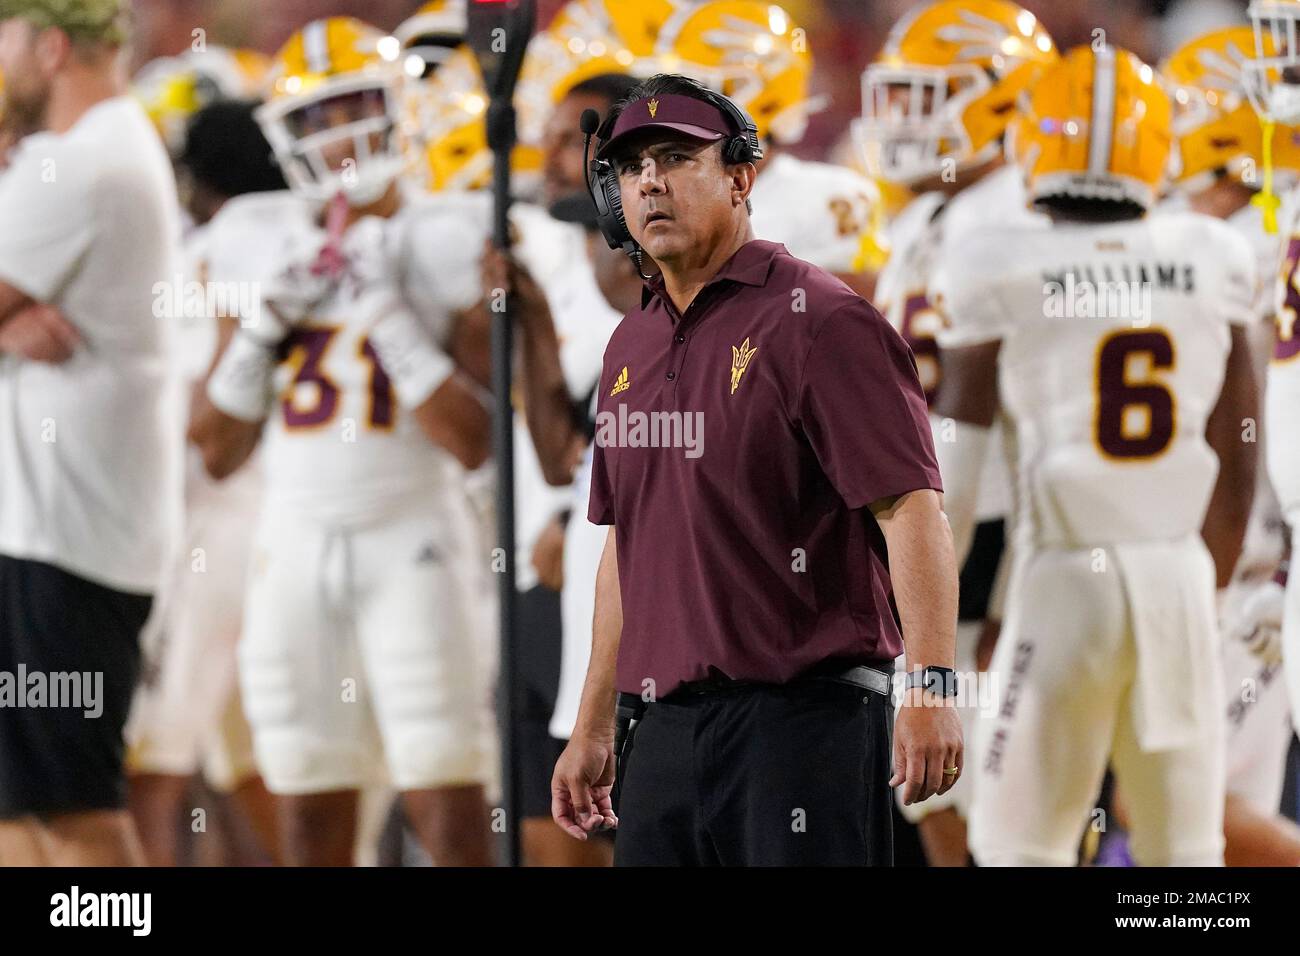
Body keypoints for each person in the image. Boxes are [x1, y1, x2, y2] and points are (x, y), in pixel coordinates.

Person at [550, 73, 962, 866]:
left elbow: (910, 509)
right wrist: (595, 720)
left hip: (801, 725)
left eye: (676, 158)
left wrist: (933, 686)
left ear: (741, 177)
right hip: (661, 730)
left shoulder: (821, 319)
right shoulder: (629, 345)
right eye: (632, 167)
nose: (650, 181)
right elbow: (624, 545)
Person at [933, 44, 1258, 866]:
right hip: (1179, 575)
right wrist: (1203, 587)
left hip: (1065, 581)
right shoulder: (1211, 255)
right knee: (1185, 857)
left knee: (1020, 847)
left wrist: (921, 644)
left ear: (1035, 148)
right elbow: (1237, 455)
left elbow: (954, 480)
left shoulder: (997, 262)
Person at [187, 17, 494, 866]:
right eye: (319, 118)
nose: (343, 134)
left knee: (446, 791)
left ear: (402, 108)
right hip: (292, 540)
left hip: (415, 533)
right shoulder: (255, 238)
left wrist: (388, 318)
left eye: (358, 105)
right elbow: (215, 450)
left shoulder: (450, 232)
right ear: (288, 136)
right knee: (309, 806)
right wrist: (259, 333)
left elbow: (477, 443)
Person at [856, 0, 1059, 866]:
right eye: (899, 97)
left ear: (1007, 100)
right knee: (931, 779)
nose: (906, 120)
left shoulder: (1018, 215)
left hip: (992, 516)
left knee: (984, 774)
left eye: (930, 98)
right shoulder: (931, 214)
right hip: (937, 509)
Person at [0, 0, 181, 866]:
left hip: (68, 539)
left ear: (50, 45)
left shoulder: (82, 163)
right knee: (22, 808)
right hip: (54, 527)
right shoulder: (94, 151)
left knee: (76, 810)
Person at [126, 98, 287, 867]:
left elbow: (202, 417)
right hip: (290, 527)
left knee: (151, 765)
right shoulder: (306, 230)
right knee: (255, 764)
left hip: (211, 524)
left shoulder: (212, 249)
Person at [1157, 25, 1300, 866]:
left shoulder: (1232, 241)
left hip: (1243, 564)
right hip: (1250, 559)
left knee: (1187, 814)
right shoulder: (1255, 227)